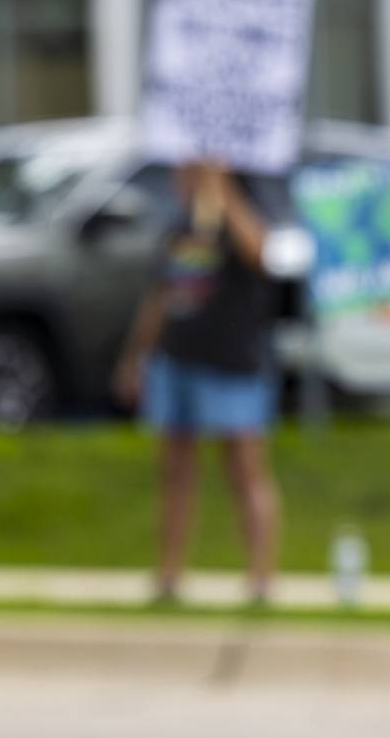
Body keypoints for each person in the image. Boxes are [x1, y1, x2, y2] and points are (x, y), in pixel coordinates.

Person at [112, 162, 282, 607]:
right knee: (174, 472)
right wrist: (137, 357)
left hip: (231, 362)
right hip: (176, 360)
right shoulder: (178, 226)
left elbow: (262, 256)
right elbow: (160, 296)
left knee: (245, 470)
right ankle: (168, 575)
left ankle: (261, 579)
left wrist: (222, 190)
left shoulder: (244, 211)